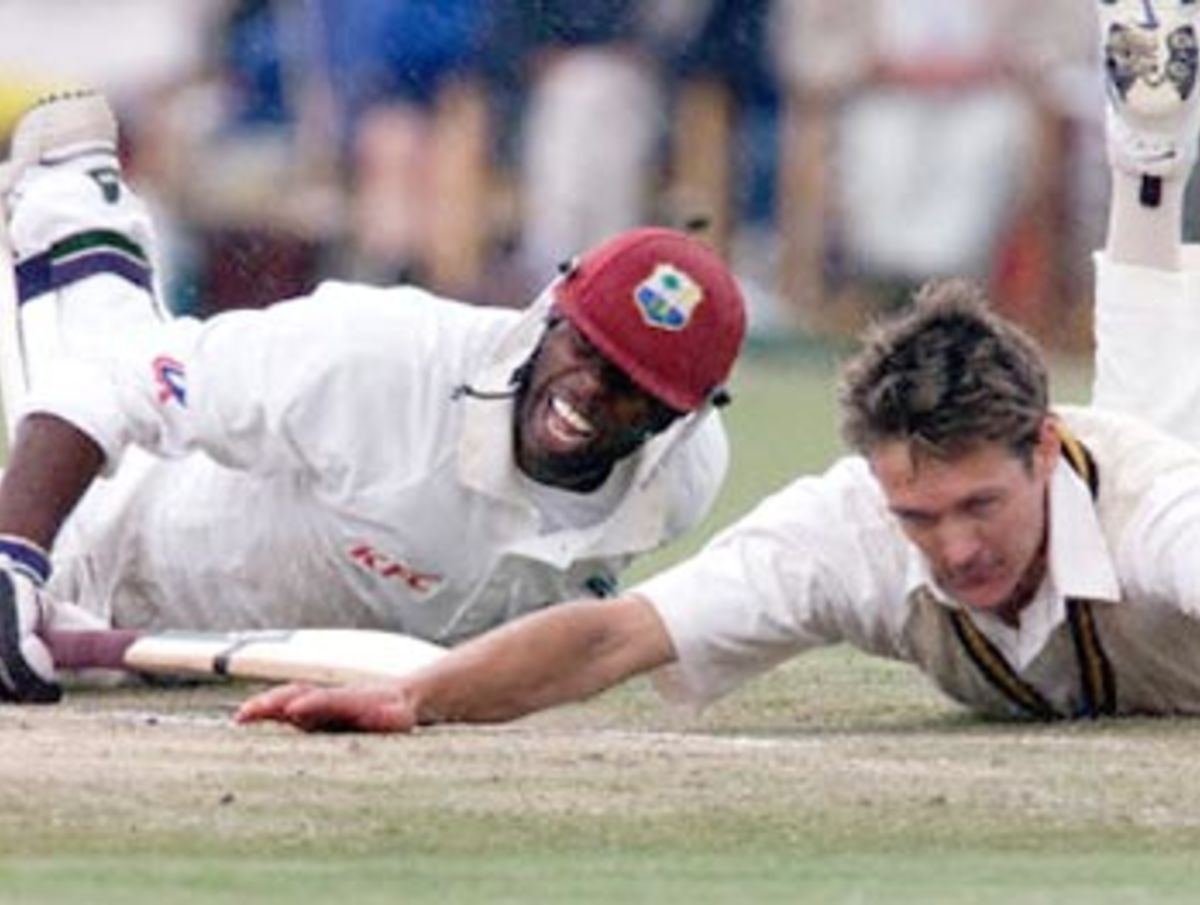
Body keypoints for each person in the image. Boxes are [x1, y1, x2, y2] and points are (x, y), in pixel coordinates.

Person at [238, 0, 1200, 732]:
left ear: (1043, 450)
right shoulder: (845, 534)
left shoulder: (1154, 511)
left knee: (1155, 411)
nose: (954, 551)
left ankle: (1148, 157)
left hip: (1162, 484)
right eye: (920, 514)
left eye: (980, 506)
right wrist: (415, 697)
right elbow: (616, 635)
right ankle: (1148, 154)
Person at [0, 89, 747, 703]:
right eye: (585, 346)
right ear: (547, 313)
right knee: (101, 347)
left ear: (677, 417)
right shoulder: (379, 357)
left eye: (630, 387)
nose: (589, 388)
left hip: (221, 648)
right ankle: (69, 189)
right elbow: (118, 382)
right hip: (114, 539)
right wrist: (14, 560)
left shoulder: (685, 482)